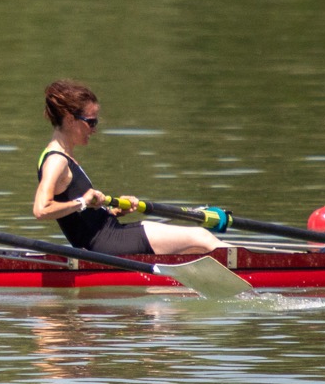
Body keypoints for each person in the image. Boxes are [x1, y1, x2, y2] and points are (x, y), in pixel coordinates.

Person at [33, 79, 223, 256]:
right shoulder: (56, 161)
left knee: (196, 249)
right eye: (91, 122)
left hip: (109, 235)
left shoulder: (64, 157)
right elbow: (41, 209)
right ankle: (248, 274)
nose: (94, 129)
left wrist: (112, 211)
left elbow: (81, 221)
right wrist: (83, 202)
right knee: (201, 236)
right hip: (106, 242)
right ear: (69, 119)